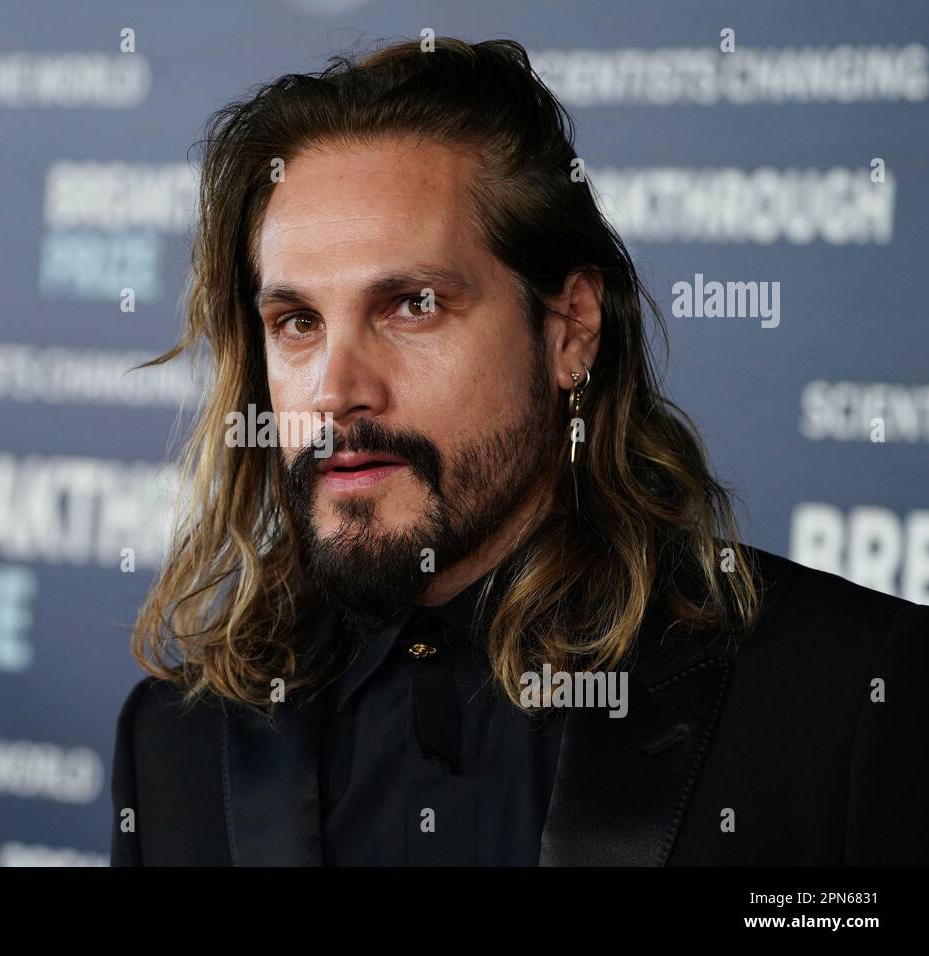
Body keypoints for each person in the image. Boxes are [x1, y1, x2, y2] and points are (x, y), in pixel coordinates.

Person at [108, 36, 928, 866]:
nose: (334, 389)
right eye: (299, 323)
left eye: (411, 307)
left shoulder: (848, 698)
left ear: (570, 326)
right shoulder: (176, 742)